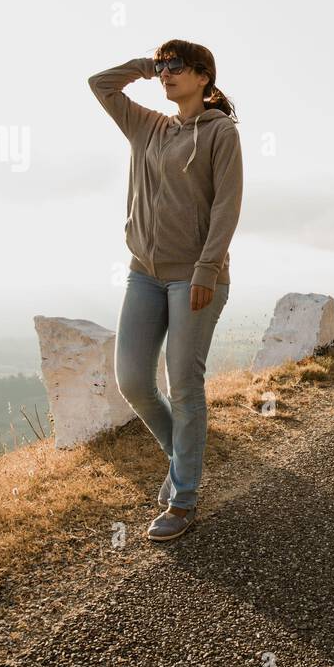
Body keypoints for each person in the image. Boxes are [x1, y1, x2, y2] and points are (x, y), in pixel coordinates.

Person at [88, 39, 242, 541]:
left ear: (204, 77)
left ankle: (184, 498)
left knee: (184, 384)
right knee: (132, 379)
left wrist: (205, 269)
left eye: (178, 66)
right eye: (164, 66)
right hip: (144, 272)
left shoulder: (220, 133)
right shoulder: (147, 126)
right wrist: (143, 66)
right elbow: (100, 85)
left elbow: (226, 207)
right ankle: (182, 460)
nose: (168, 74)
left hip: (196, 276)